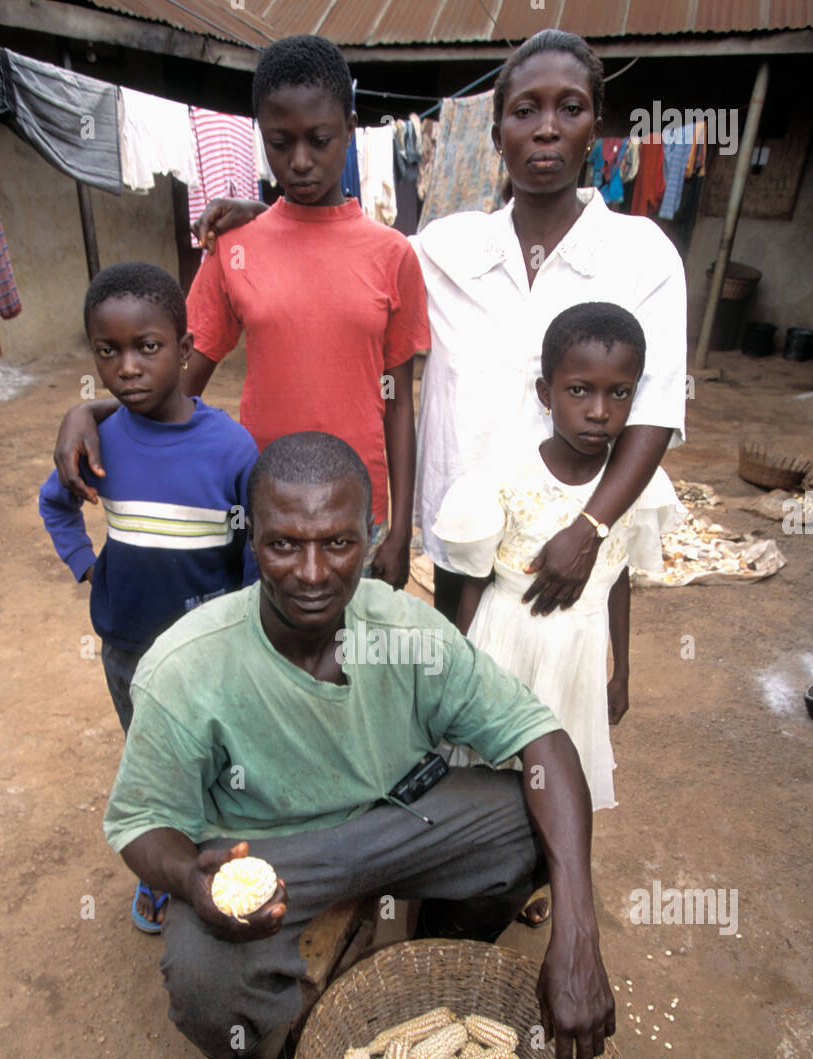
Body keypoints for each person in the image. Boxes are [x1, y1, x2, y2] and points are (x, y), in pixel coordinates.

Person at [102, 430, 616, 1059]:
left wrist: (578, 932)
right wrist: (191, 879)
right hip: (267, 861)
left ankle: (430, 977)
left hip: (398, 822)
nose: (311, 573)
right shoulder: (187, 666)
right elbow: (140, 824)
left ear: (373, 536)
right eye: (284, 544)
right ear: (251, 536)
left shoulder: (404, 630)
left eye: (338, 543)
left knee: (528, 821)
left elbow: (542, 742)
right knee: (202, 987)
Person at [189, 28, 686, 624]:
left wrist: (591, 527)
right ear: (497, 134)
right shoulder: (447, 249)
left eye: (570, 108)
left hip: (573, 534)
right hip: (467, 536)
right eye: (525, 110)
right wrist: (271, 220)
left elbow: (655, 413)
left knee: (556, 694)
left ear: (596, 122)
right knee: (456, 691)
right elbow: (344, 254)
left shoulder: (643, 254)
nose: (547, 127)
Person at [52, 34, 430, 590]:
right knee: (263, 662)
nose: (299, 162)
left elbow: (398, 404)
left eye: (319, 140)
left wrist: (399, 530)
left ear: (349, 128)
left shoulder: (392, 254)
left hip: (355, 508)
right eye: (279, 143)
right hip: (259, 501)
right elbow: (176, 382)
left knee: (352, 662)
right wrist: (93, 412)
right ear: (259, 135)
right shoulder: (235, 248)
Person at [39, 261, 259, 930]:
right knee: (150, 760)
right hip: (130, 647)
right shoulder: (98, 441)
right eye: (108, 351)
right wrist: (89, 567)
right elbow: (56, 506)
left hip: (207, 654)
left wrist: (246, 632)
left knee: (218, 758)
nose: (127, 367)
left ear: (186, 349)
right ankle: (163, 873)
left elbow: (252, 551)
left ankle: (224, 858)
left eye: (147, 347)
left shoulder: (231, 448)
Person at [434, 302, 685, 812]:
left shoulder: (637, 487)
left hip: (579, 656)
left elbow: (617, 578)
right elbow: (475, 582)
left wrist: (622, 672)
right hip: (504, 646)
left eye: (620, 393)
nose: (599, 411)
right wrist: (463, 671)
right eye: (579, 390)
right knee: (492, 773)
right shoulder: (503, 479)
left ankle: (543, 882)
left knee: (561, 785)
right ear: (545, 394)